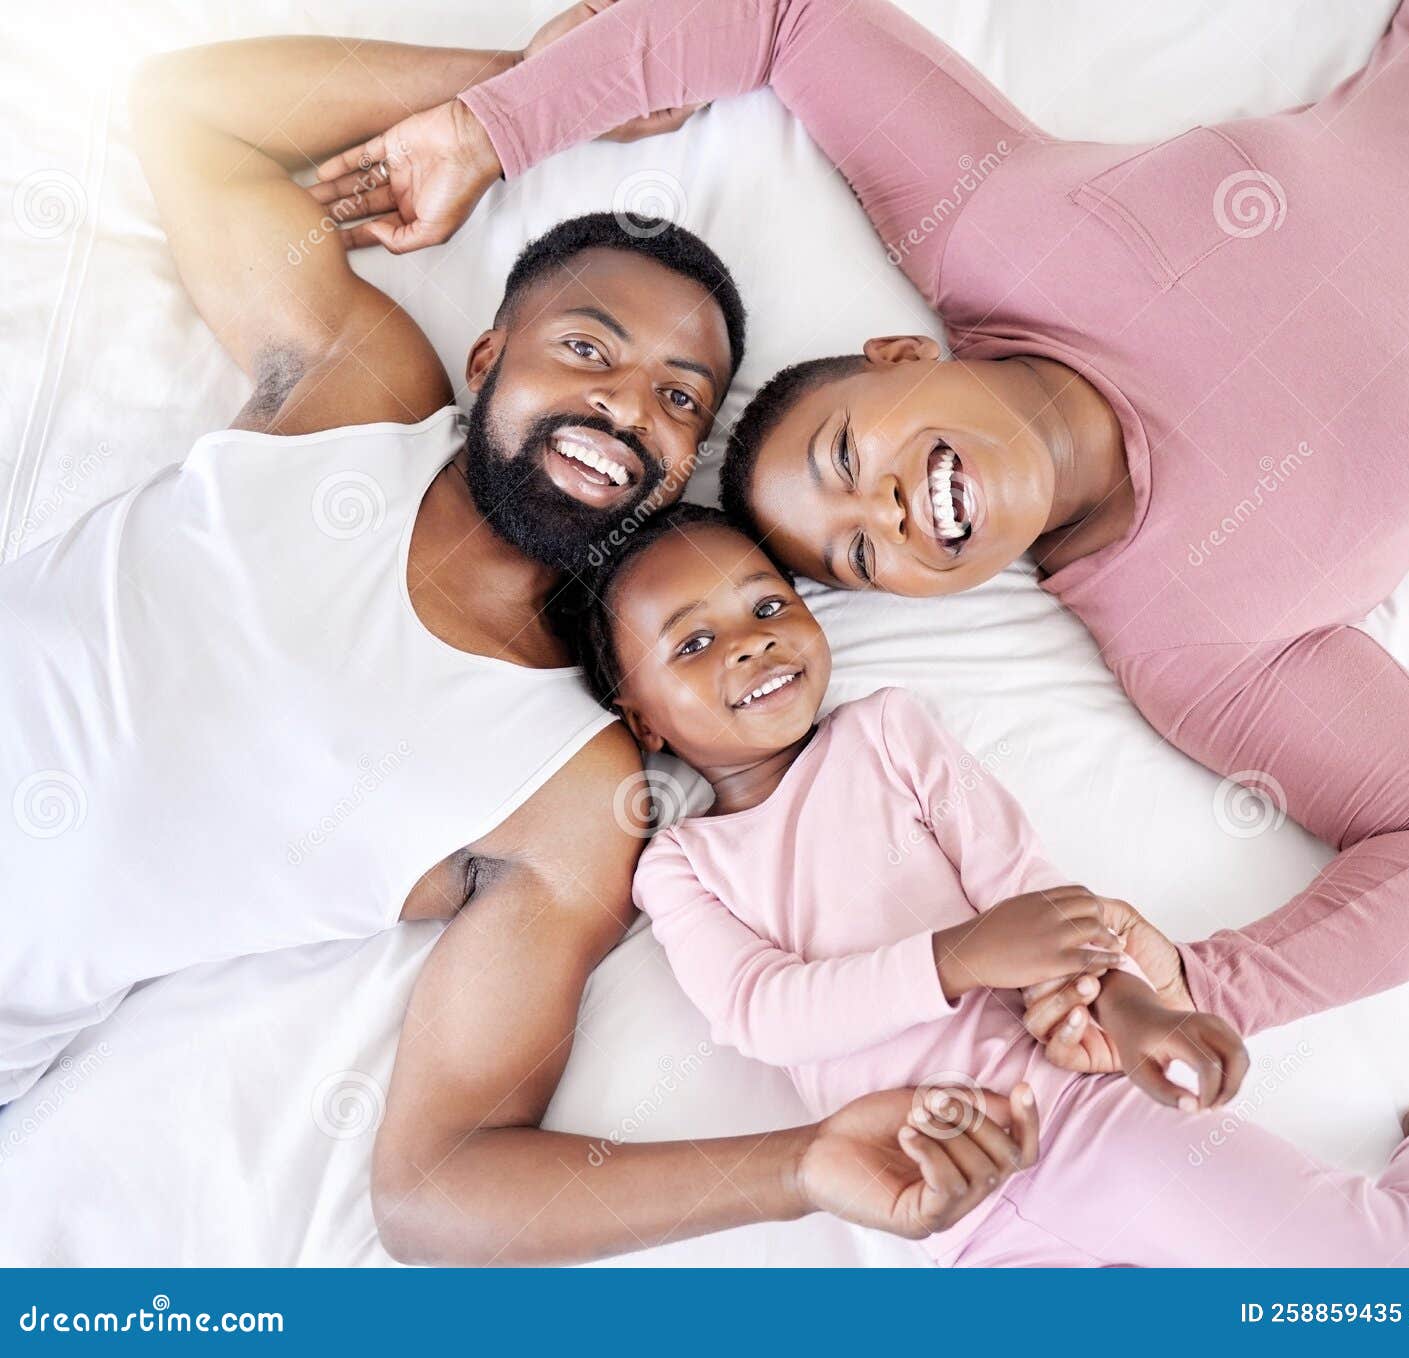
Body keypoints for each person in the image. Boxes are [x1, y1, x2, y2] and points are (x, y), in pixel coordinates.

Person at [324, 0, 1409, 1050]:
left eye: (844, 454)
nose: (883, 510)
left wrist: (486, 132)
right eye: (860, 557)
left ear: (898, 353)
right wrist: (1208, 982)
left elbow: (784, 18)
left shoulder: (1004, 230)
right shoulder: (1190, 629)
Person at [0, 9, 1043, 1264]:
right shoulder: (356, 393)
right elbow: (190, 110)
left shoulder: (568, 791)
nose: (624, 402)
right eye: (587, 348)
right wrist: (550, 98)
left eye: (678, 397)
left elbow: (436, 1191)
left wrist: (799, 1169)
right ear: (489, 354)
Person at [564, 504, 1409, 1267]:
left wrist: (1141, 1007)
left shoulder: (886, 735)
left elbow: (1043, 901)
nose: (749, 639)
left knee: (1396, 1283)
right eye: (692, 643)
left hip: (1087, 1116)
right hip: (956, 1214)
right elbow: (764, 1014)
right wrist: (956, 957)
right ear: (643, 716)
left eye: (768, 603)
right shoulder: (683, 865)